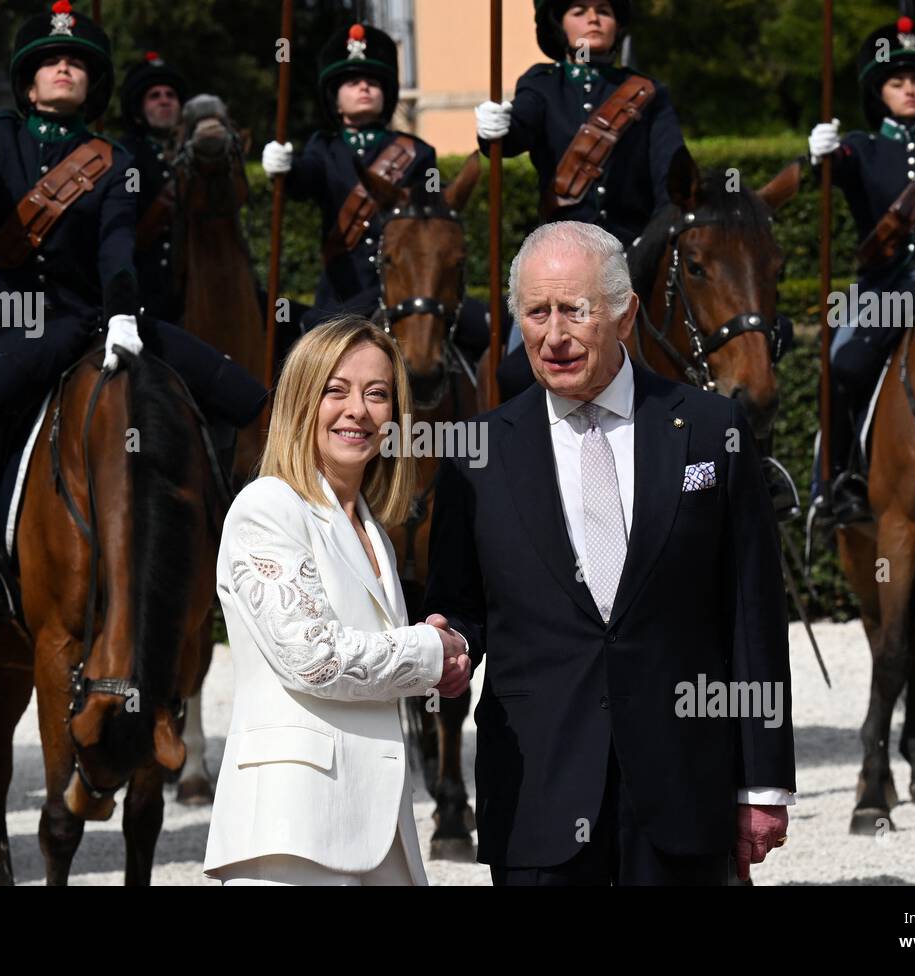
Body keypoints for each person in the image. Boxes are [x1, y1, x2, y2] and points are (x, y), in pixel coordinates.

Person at [424, 221, 795, 885]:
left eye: (574, 310)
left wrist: (763, 782)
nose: (554, 335)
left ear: (625, 316)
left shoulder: (711, 429)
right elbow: (460, 606)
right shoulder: (475, 453)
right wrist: (447, 644)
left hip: (684, 795)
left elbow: (751, 612)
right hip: (537, 796)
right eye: (536, 313)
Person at [0, 2, 265, 620]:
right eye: (50, 61)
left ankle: (221, 554)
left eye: (76, 63)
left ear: (93, 83)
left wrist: (121, 313)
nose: (63, 69)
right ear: (28, 80)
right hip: (8, 320)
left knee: (240, 393)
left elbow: (117, 245)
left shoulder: (112, 160)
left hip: (82, 320)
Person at [204, 316, 471, 886]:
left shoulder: (372, 526)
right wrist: (430, 650)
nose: (359, 410)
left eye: (377, 394)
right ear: (301, 401)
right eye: (336, 390)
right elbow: (316, 658)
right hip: (290, 826)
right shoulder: (267, 507)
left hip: (380, 828)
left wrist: (438, 664)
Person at [805, 14, 915, 533]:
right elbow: (831, 174)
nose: (910, 91)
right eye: (898, 82)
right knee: (844, 362)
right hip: (881, 293)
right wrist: (819, 156)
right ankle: (835, 482)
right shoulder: (861, 148)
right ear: (878, 91)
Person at [475, 0, 685, 398]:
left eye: (605, 9)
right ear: (558, 25)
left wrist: (648, 251)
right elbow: (517, 132)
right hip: (557, 266)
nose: (593, 18)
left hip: (632, 261)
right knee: (516, 376)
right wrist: (494, 130)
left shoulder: (649, 93)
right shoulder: (541, 84)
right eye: (578, 9)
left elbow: (672, 182)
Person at [260, 23, 489, 358]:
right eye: (353, 83)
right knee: (306, 350)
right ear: (336, 100)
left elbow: (431, 218)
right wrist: (284, 167)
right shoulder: (324, 148)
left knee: (482, 330)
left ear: (387, 95)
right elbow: (302, 181)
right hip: (342, 293)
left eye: (373, 82)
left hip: (408, 286)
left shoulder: (417, 151)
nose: (364, 88)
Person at [117, 49, 188, 322]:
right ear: (139, 110)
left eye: (171, 95)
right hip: (145, 287)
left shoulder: (197, 152)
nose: (165, 101)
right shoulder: (125, 154)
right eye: (154, 96)